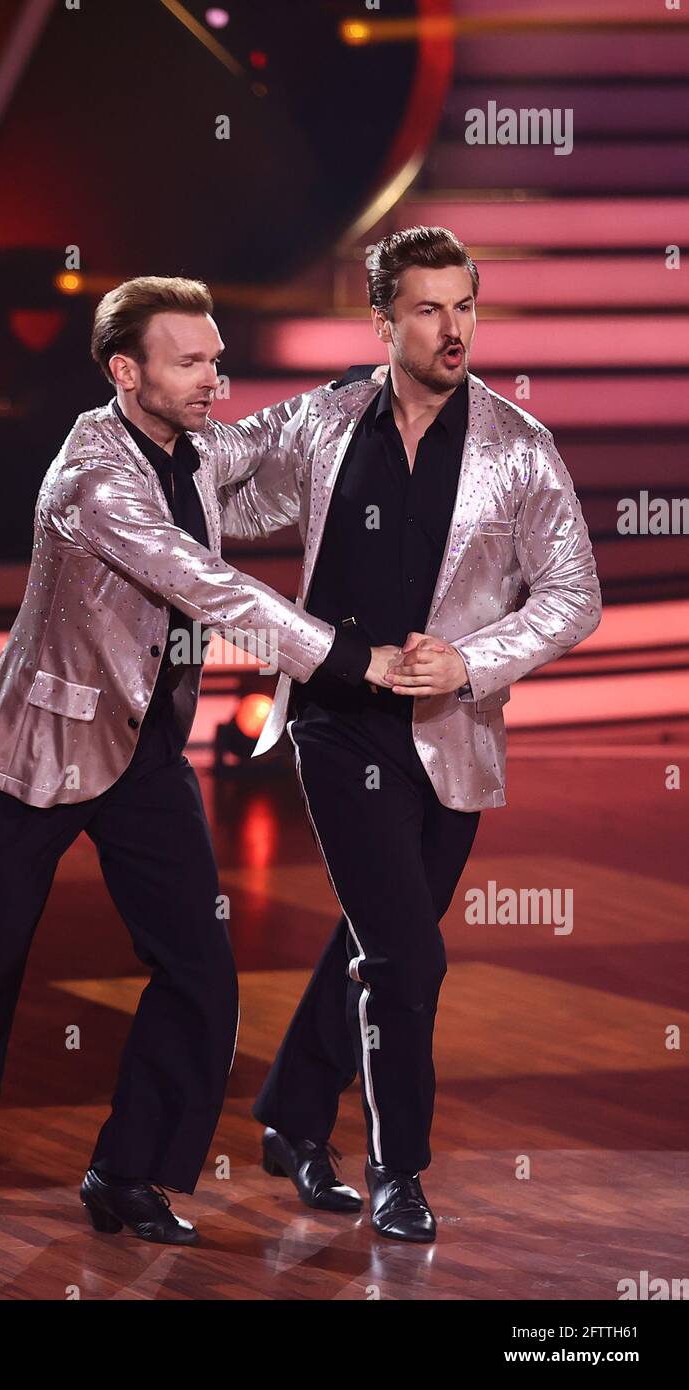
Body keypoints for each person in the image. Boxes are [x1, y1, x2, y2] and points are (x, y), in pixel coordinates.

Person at [0, 275, 388, 1244]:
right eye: (193, 361)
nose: (218, 376)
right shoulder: (95, 479)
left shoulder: (191, 445)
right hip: (45, 739)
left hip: (146, 750)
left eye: (215, 356)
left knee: (201, 971)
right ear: (127, 373)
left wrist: (358, 388)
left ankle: (129, 1173)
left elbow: (251, 442)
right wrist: (345, 658)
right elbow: (207, 584)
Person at [219, 226, 603, 1241]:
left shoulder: (520, 448)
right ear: (384, 321)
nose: (453, 329)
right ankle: (400, 1170)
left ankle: (293, 1117)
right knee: (408, 958)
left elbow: (575, 595)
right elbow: (223, 471)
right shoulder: (327, 416)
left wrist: (471, 661)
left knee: (381, 938)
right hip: (340, 725)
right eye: (428, 310)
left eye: (465, 306)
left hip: (452, 734)